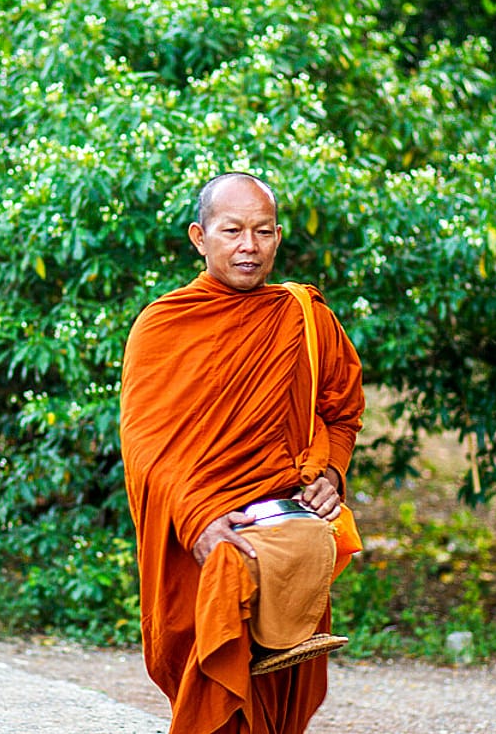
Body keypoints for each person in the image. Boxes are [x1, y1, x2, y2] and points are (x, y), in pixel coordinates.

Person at [119, 172, 366, 733]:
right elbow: (146, 444)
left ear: (278, 237)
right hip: (203, 531)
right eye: (232, 231)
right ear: (200, 237)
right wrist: (197, 519)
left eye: (263, 231)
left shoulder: (304, 317)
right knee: (214, 686)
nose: (248, 246)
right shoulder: (164, 325)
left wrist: (331, 472)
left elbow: (342, 410)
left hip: (285, 526)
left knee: (279, 695)